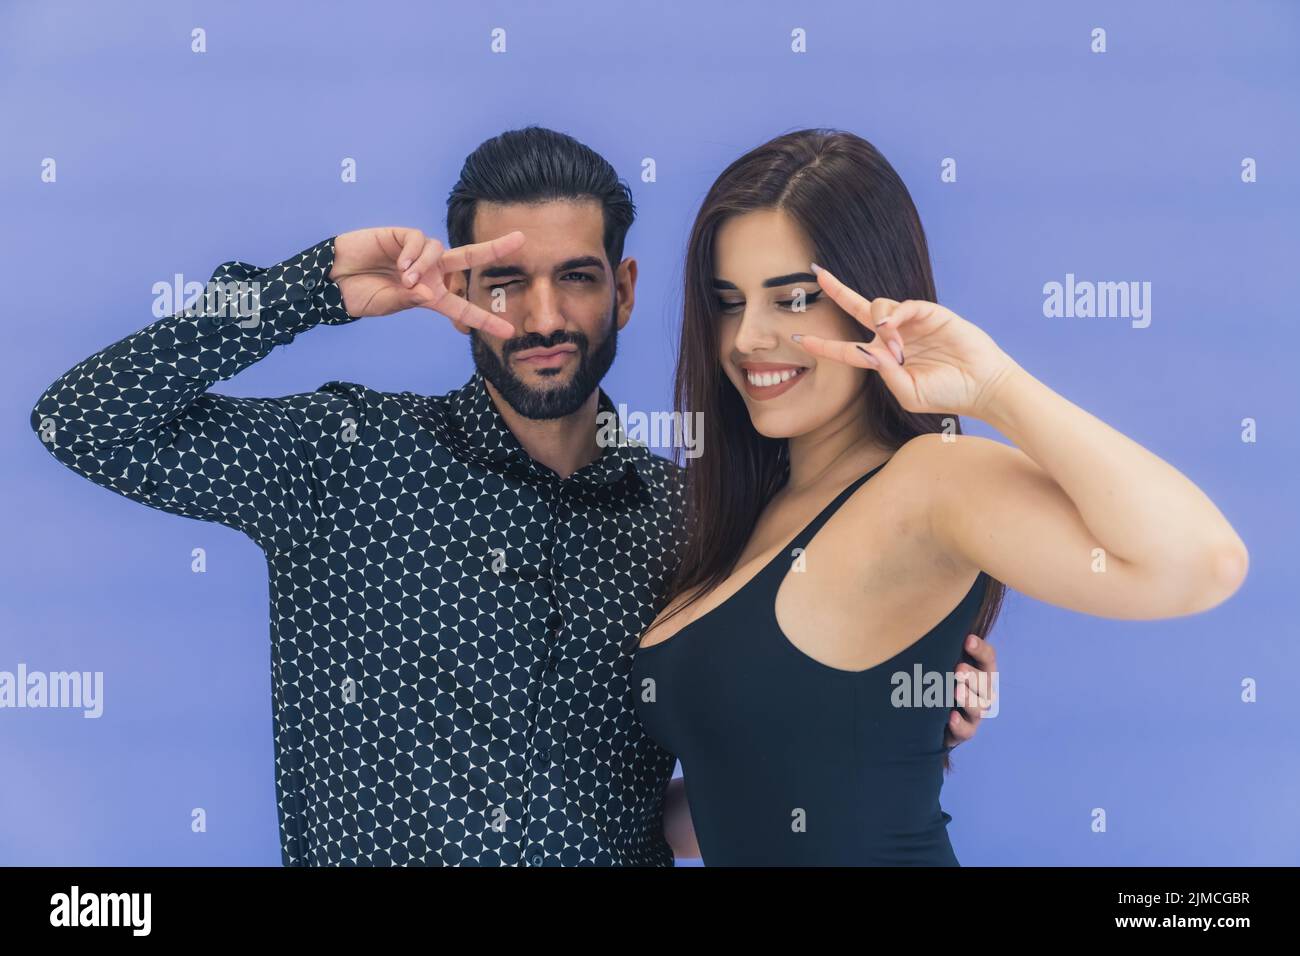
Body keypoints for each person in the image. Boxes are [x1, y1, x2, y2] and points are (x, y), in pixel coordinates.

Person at [30, 126, 995, 866]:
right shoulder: (345, 458)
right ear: (454, 288)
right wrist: (309, 288)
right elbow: (82, 420)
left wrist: (883, 708)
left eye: (576, 278)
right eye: (503, 282)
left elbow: (704, 797)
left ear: (622, 288)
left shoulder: (698, 526)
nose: (542, 317)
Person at [633, 128, 1249, 866]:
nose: (747, 338)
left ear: (874, 300)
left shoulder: (929, 480)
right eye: (728, 303)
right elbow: (743, 800)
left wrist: (994, 387)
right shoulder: (748, 515)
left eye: (793, 300)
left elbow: (1204, 561)